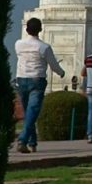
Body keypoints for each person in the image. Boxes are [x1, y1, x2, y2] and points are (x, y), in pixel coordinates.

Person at [14, 17, 66, 154]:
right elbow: (54, 65)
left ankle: (32, 142)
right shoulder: (44, 47)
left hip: (21, 79)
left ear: (26, 29)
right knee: (32, 112)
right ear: (40, 30)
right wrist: (61, 73)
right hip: (37, 81)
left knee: (29, 113)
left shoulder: (18, 44)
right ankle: (23, 140)